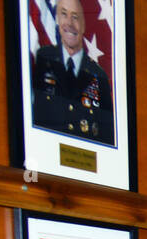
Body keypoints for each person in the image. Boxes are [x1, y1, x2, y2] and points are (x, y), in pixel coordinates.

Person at [31, 0, 114, 145]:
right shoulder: (43, 59)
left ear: (83, 25)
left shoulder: (98, 75)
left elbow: (108, 135)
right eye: (64, 14)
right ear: (57, 19)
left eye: (75, 17)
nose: (69, 23)